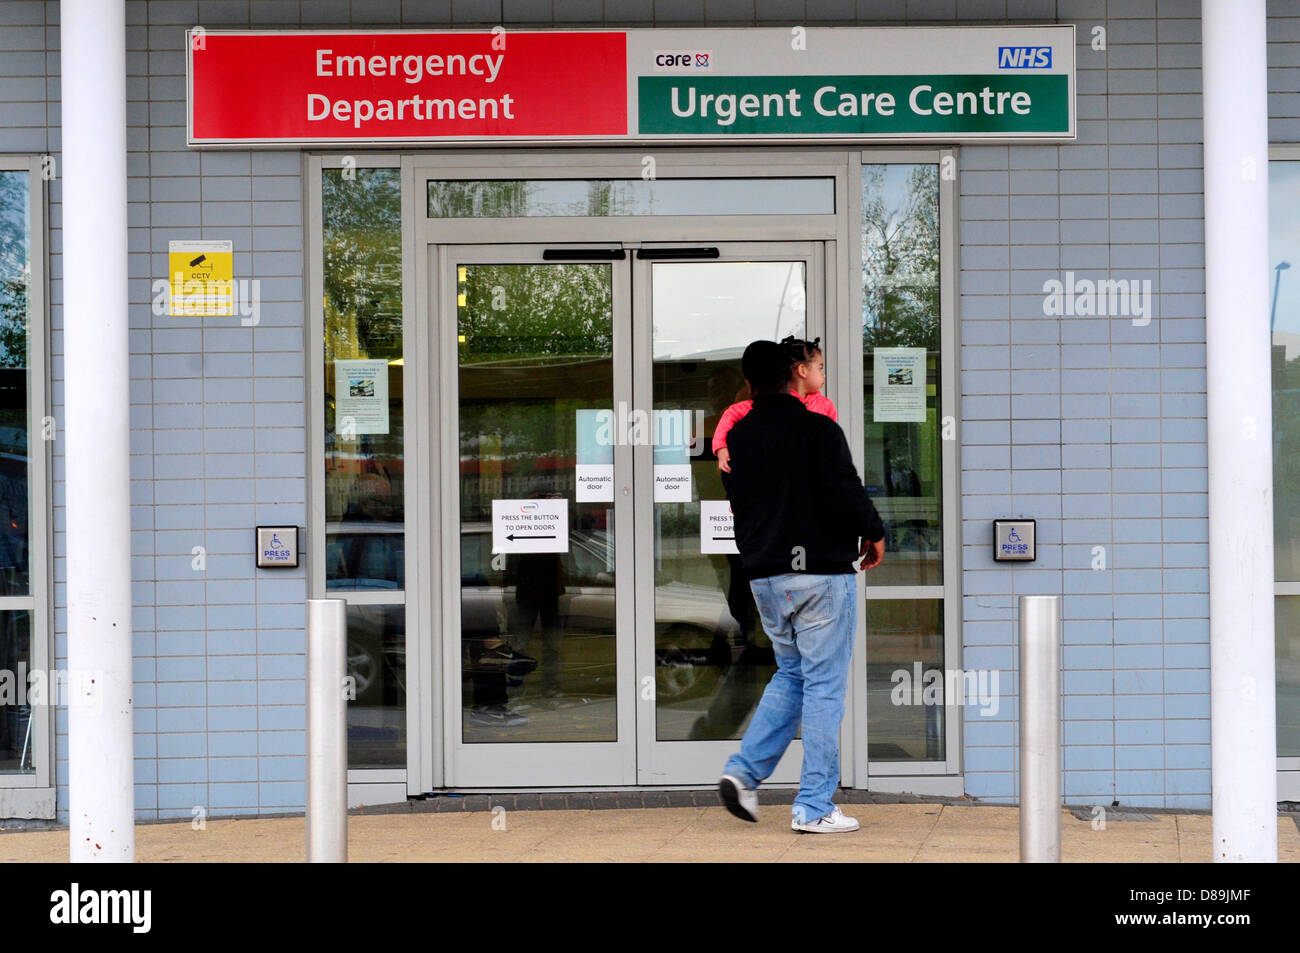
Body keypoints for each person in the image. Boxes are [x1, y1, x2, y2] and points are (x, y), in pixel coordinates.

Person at [717, 339, 886, 834]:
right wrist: (874, 534)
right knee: (824, 687)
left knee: (792, 675)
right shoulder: (818, 428)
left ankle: (744, 775)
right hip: (820, 576)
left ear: (749, 384)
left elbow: (740, 503)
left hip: (766, 577)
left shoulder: (738, 439)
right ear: (793, 376)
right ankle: (813, 806)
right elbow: (846, 490)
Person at [713, 335, 836, 474]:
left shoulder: (826, 405)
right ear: (802, 370)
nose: (823, 375)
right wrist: (721, 447)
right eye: (820, 368)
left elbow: (830, 446)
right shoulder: (774, 403)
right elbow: (732, 413)